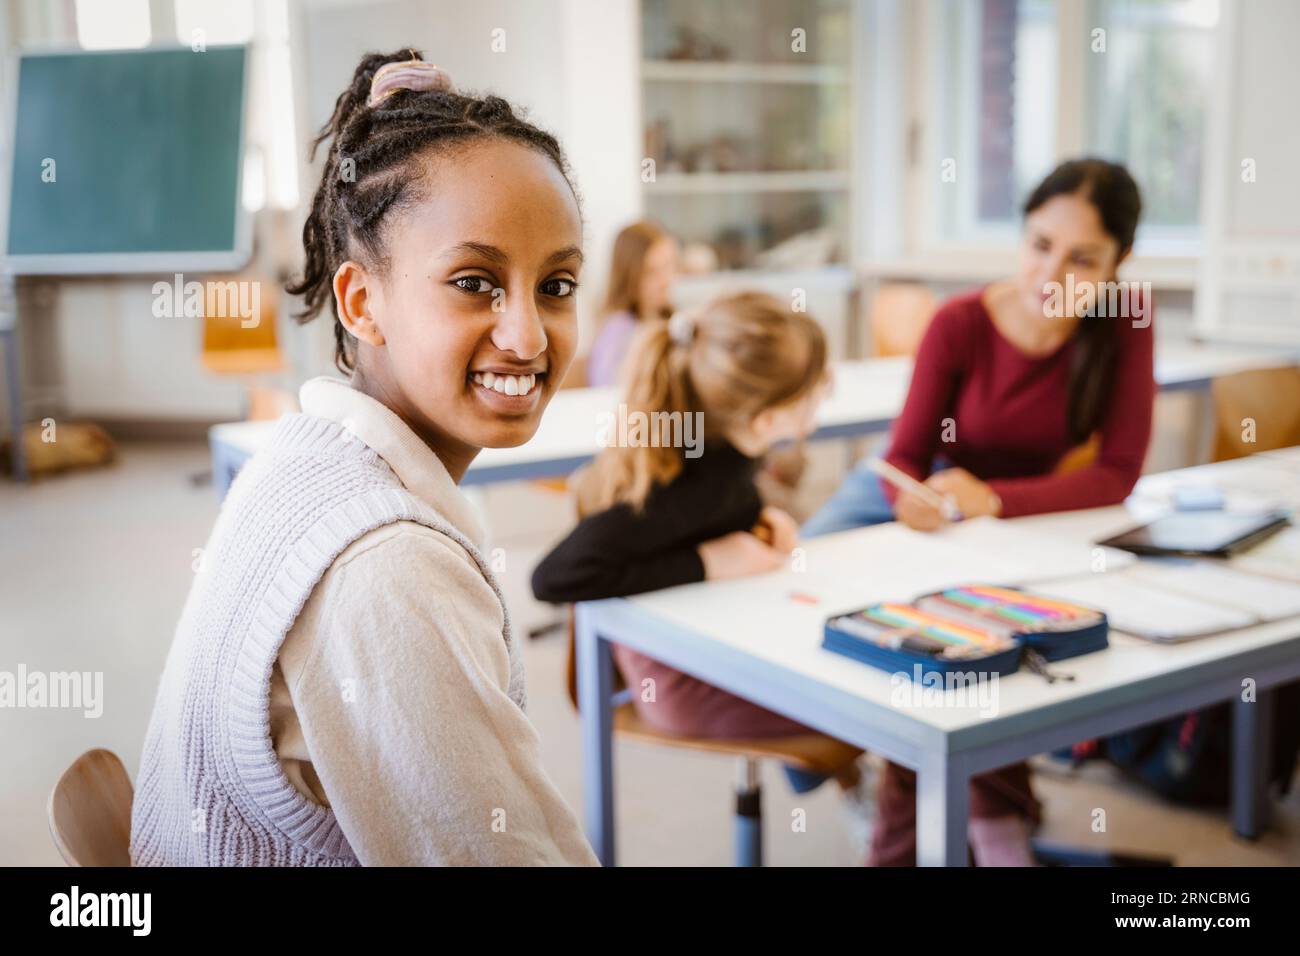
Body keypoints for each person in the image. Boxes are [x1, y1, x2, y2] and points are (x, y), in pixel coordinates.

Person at [131, 51, 596, 866]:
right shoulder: (386, 567)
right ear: (361, 302)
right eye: (474, 281)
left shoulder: (304, 456)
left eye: (555, 285)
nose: (526, 335)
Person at [805, 158, 1156, 866]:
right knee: (798, 594)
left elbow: (1118, 473)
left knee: (979, 654)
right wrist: (916, 497)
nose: (1051, 274)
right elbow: (902, 458)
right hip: (924, 500)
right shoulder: (960, 322)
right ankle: (865, 780)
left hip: (1010, 521)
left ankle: (978, 810)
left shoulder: (1126, 322)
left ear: (1120, 263)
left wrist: (997, 501)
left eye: (1083, 259)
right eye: (1039, 245)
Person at [533, 291, 871, 817]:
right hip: (682, 684)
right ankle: (878, 809)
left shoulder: (726, 451)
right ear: (764, 420)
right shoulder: (688, 487)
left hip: (717, 646)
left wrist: (756, 524)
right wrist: (710, 563)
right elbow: (553, 577)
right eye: (814, 388)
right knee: (878, 705)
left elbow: (713, 515)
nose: (825, 393)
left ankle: (866, 795)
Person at [585, 220, 678, 387]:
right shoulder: (618, 331)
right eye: (651, 272)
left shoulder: (670, 319)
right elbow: (609, 394)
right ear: (630, 276)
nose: (666, 280)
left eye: (668, 266)